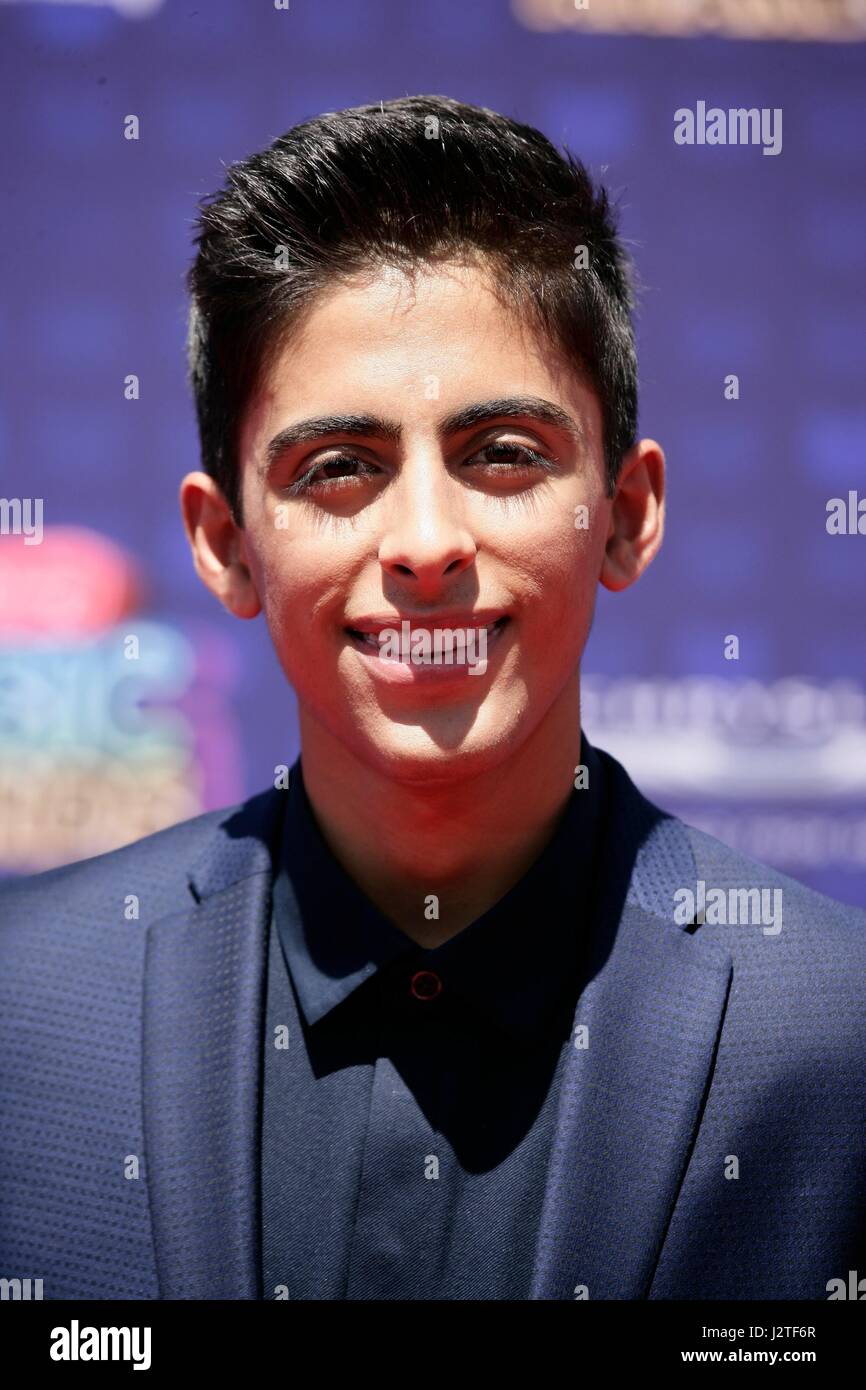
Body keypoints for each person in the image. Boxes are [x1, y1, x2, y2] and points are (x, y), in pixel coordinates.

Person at [1, 96, 864, 1302]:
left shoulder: (835, 1036)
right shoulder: (22, 1014)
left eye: (501, 452)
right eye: (339, 467)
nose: (422, 541)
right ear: (224, 544)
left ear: (623, 515)